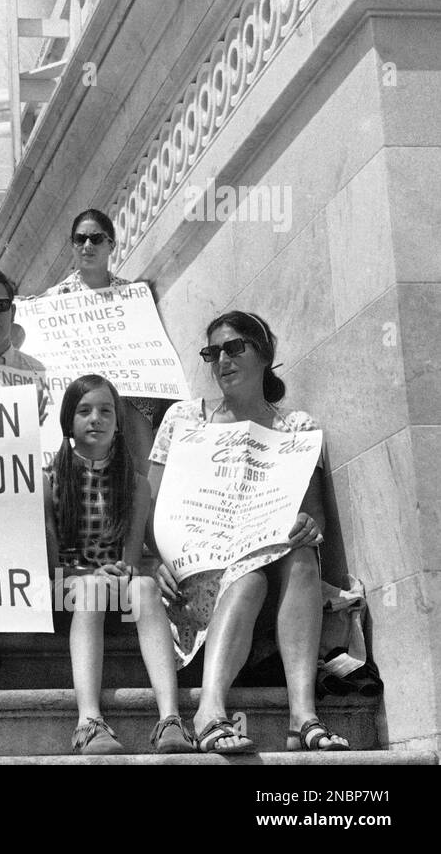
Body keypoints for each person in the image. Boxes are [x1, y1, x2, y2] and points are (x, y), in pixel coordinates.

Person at [148, 311, 346, 753]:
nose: (222, 359)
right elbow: (153, 506)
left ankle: (304, 716)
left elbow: (316, 516)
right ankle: (209, 709)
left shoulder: (296, 428)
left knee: (299, 555)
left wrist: (308, 525)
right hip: (198, 573)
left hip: (270, 573)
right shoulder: (184, 420)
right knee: (250, 576)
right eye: (212, 352)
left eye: (234, 347)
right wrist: (154, 559)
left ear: (264, 354)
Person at [43, 375, 193, 754]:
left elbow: (131, 557)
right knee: (93, 588)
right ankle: (89, 721)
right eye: (84, 411)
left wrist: (128, 570)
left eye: (106, 410)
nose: (96, 418)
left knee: (144, 586)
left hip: (114, 585)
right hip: (66, 587)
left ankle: (170, 718)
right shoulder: (49, 481)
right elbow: (50, 562)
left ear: (118, 421)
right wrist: (88, 576)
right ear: (68, 421)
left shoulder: (136, 484)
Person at [39, 209, 155, 468]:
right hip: (80, 401)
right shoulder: (53, 299)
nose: (87, 246)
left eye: (96, 238)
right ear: (72, 245)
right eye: (80, 239)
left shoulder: (134, 295)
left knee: (139, 472)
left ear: (111, 244)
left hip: (127, 399)